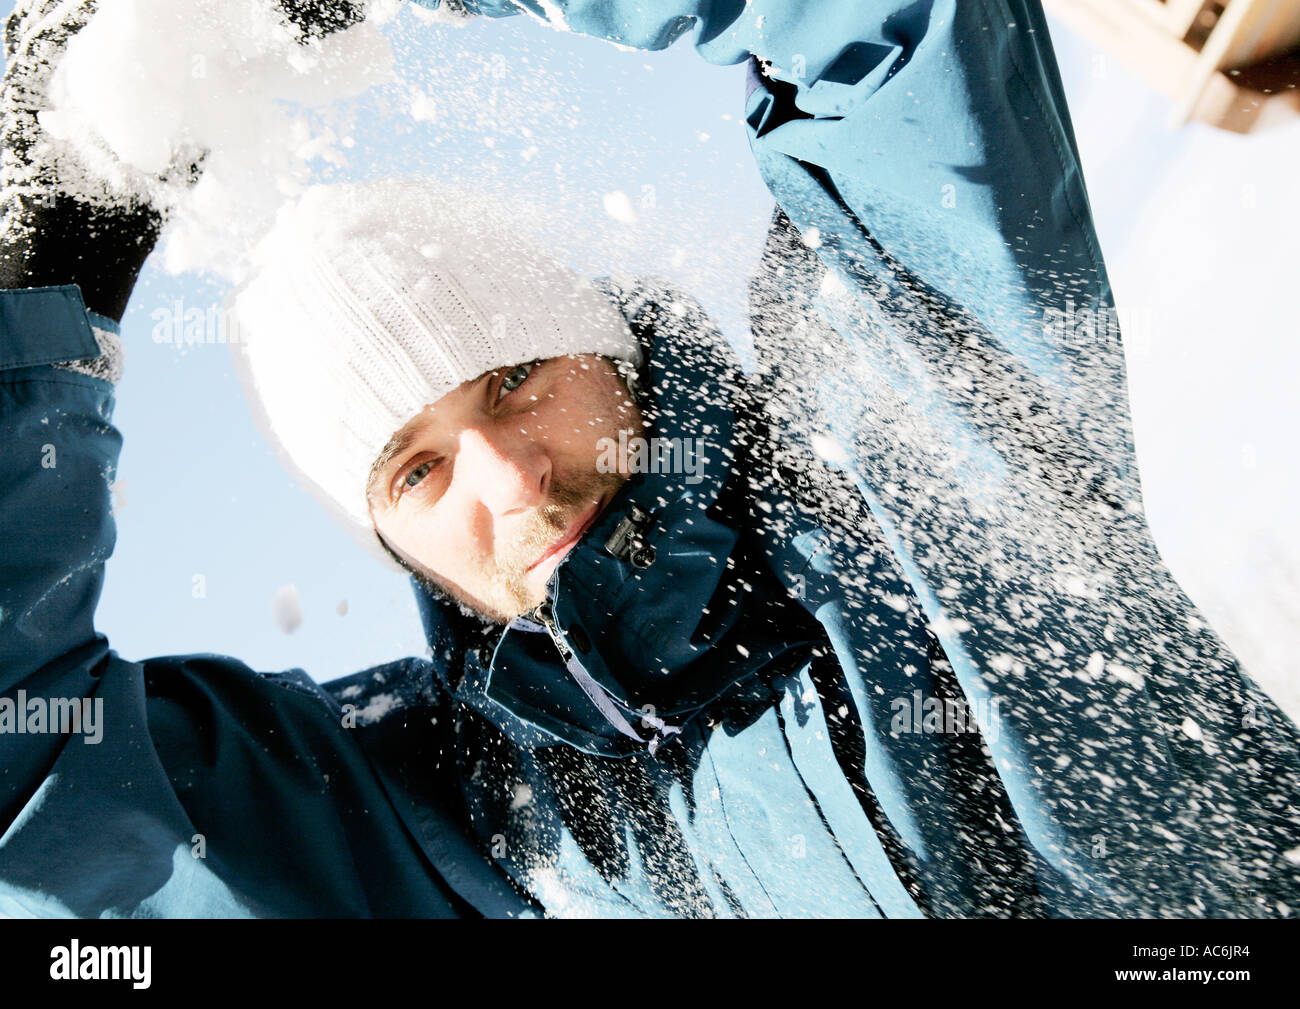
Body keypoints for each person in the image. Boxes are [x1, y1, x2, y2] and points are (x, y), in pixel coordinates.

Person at [2, 0, 1297, 919]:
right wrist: (38, 289)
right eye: (416, 471)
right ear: (386, 537)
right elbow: (38, 781)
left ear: (614, 351)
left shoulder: (897, 451)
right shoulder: (471, 815)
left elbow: (890, 42)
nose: (510, 480)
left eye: (518, 376)